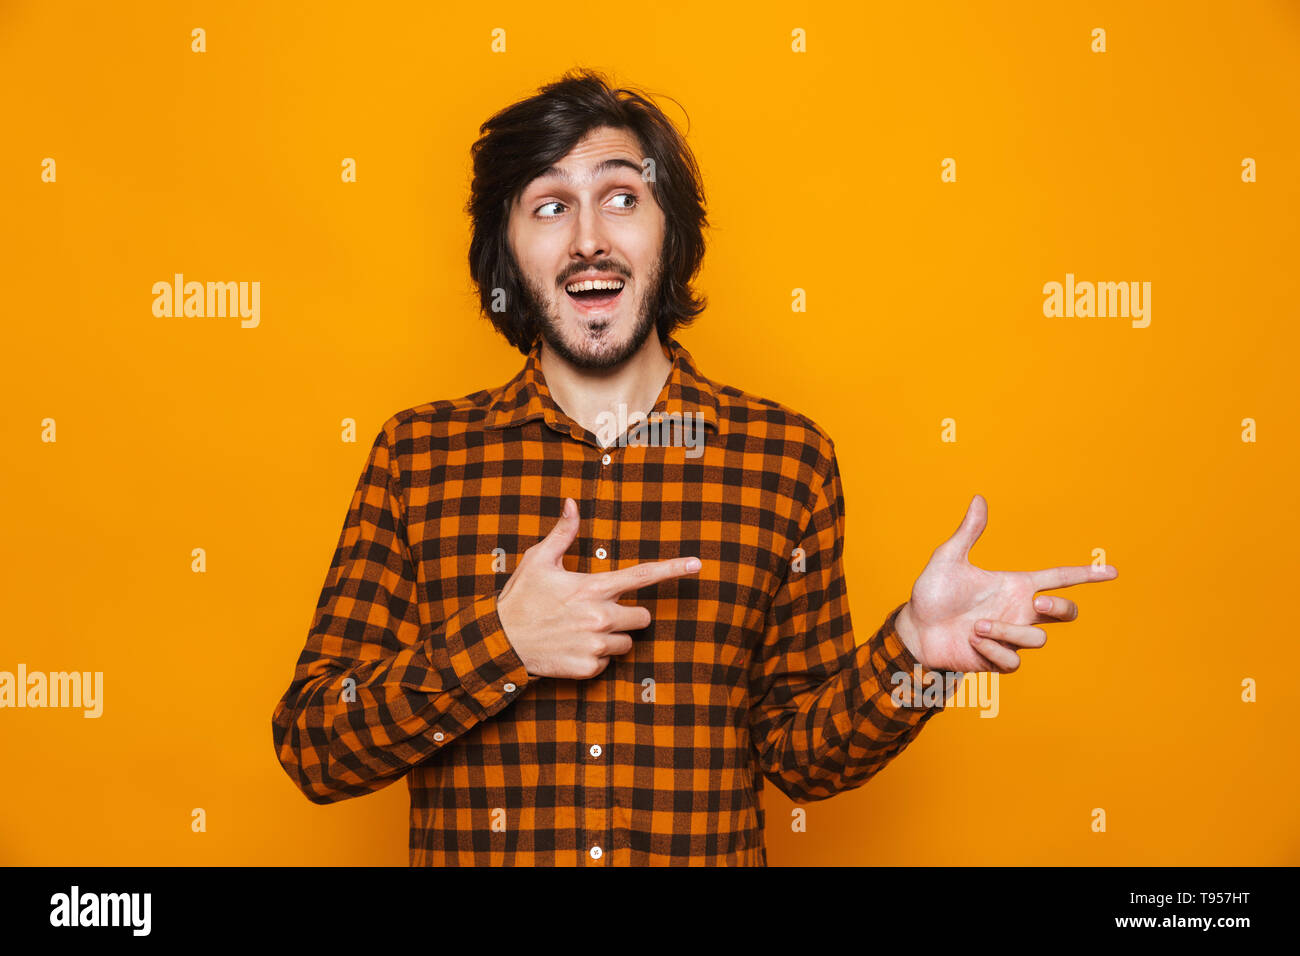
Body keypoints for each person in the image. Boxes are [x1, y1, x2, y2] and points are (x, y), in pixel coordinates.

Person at [270, 68, 1119, 865]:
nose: (590, 239)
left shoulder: (786, 460)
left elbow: (803, 762)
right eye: (550, 208)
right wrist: (503, 644)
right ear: (507, 249)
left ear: (668, 231)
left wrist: (915, 656)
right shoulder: (419, 458)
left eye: (620, 198)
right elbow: (313, 749)